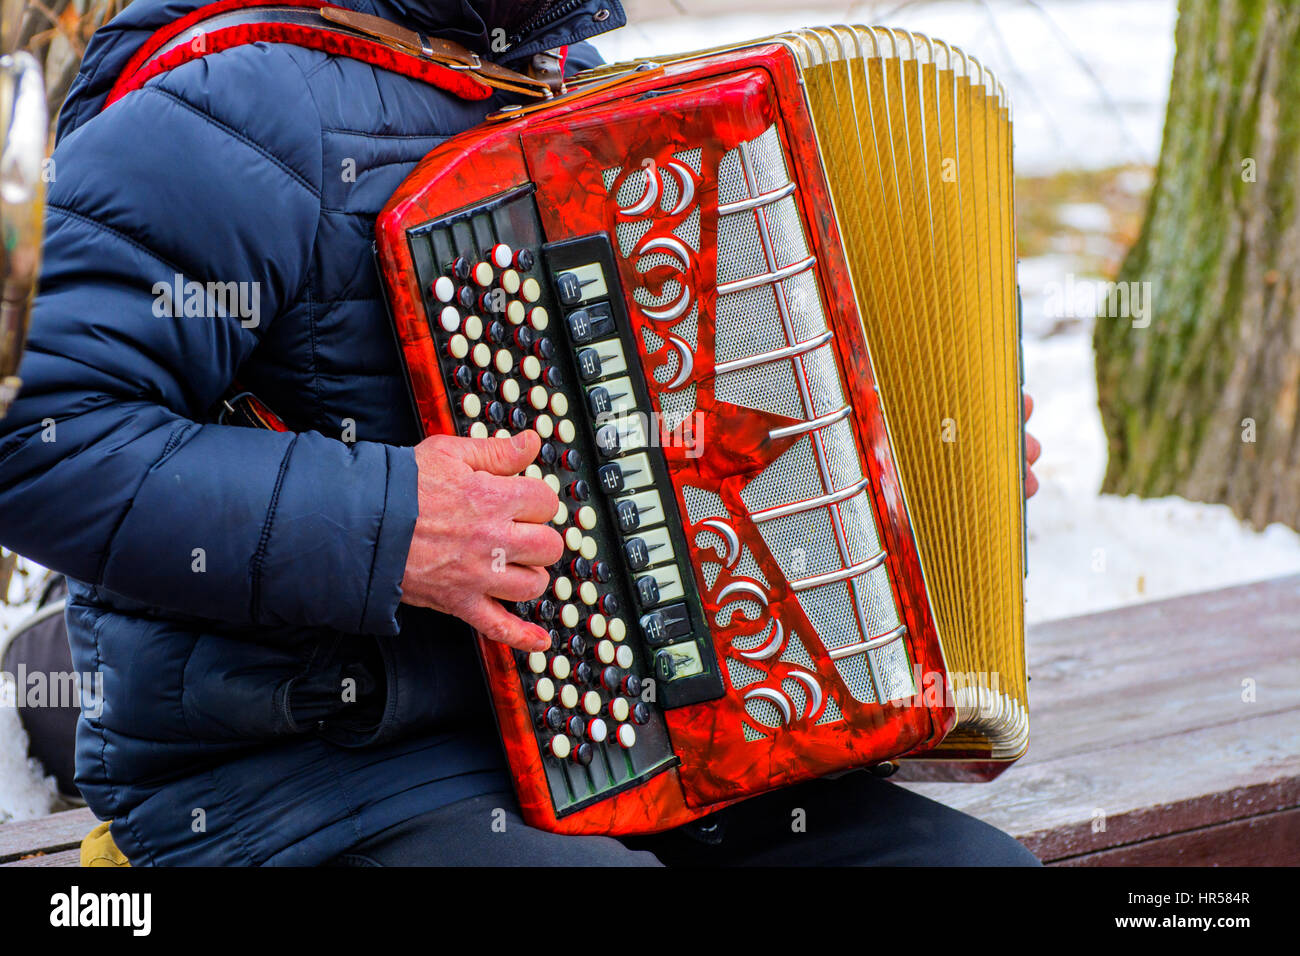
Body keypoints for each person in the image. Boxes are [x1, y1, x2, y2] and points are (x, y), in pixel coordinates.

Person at [0, 0, 1042, 866]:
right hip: (316, 768)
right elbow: (42, 443)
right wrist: (395, 519)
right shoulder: (214, 108)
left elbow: (655, 434)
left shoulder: (572, 88)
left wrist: (901, 471)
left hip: (638, 732)